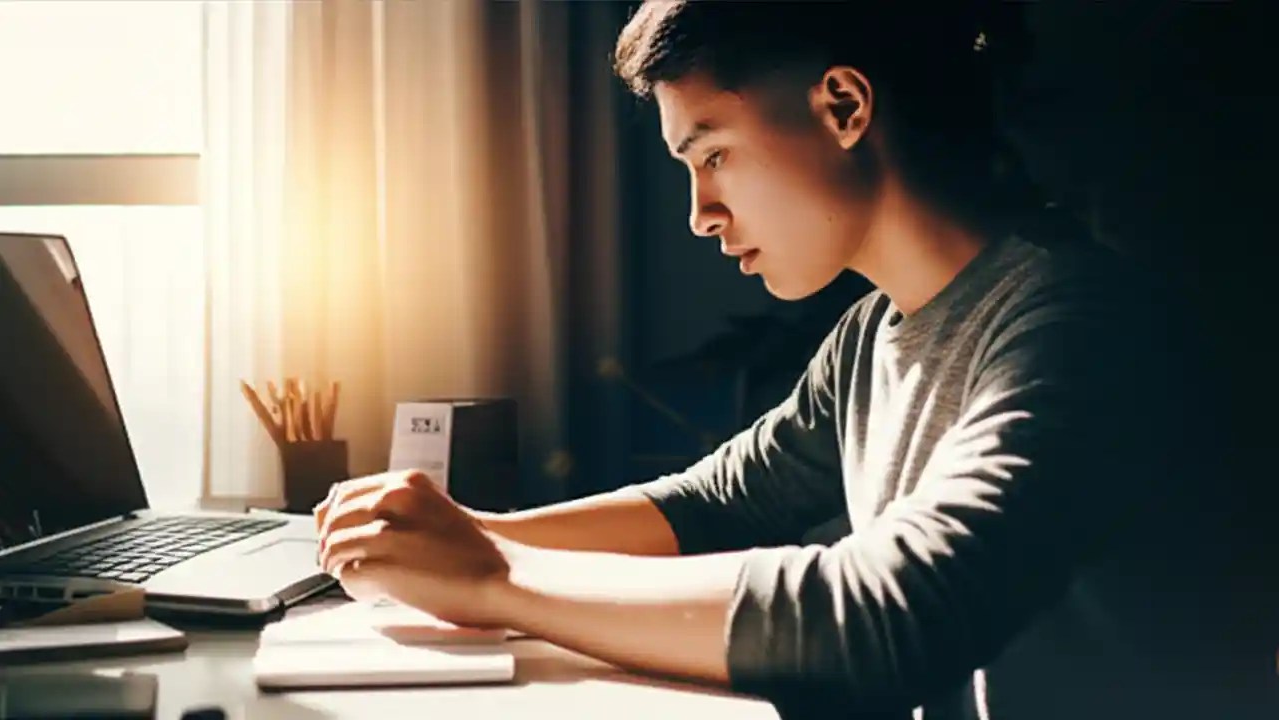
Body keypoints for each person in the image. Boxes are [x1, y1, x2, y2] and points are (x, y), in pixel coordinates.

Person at [314, 3, 1271, 718]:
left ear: (844, 104)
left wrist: (494, 578)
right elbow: (714, 503)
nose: (698, 211)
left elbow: (888, 613)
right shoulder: (870, 339)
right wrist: (459, 531)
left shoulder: (1081, 326)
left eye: (714, 154)